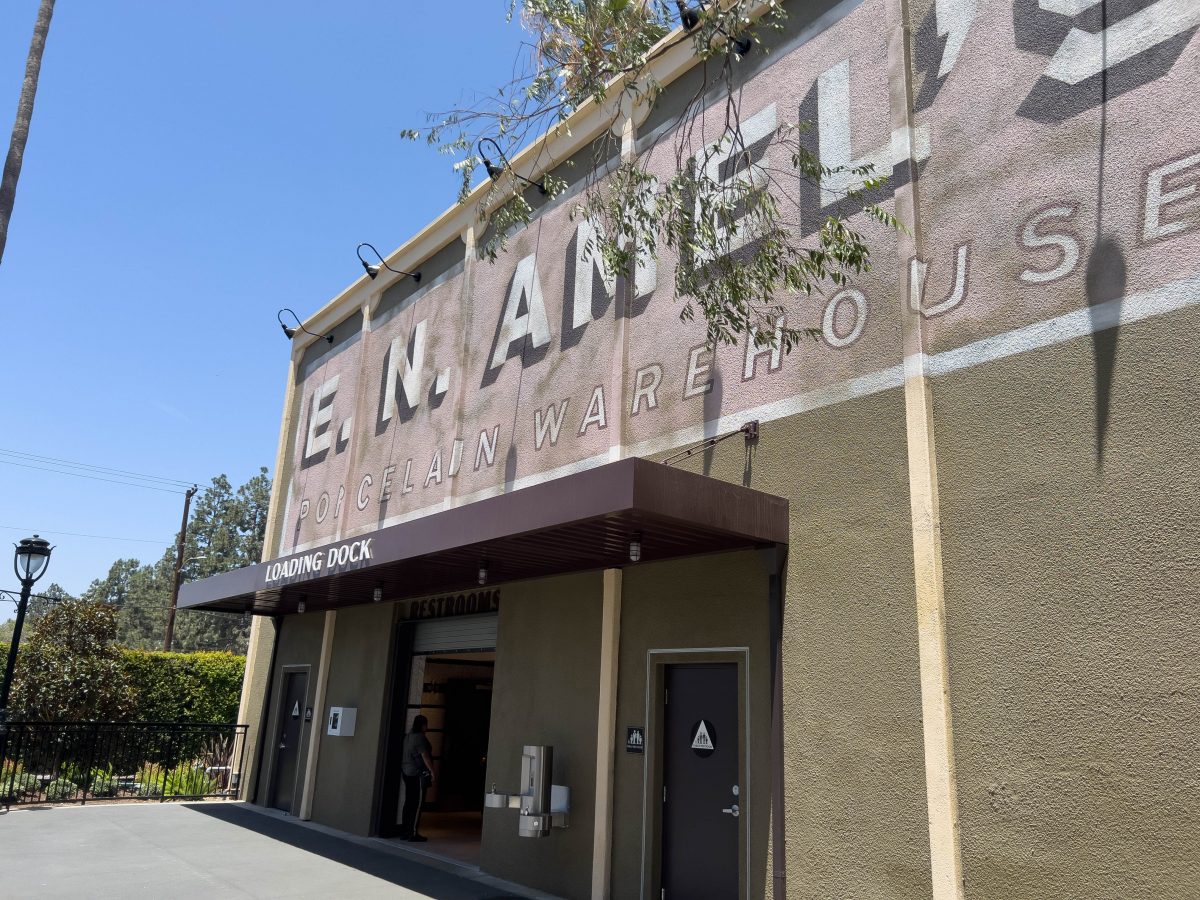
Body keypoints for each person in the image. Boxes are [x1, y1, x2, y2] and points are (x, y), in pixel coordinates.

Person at [399, 715, 435, 841]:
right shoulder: (419, 737)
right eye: (426, 724)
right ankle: (413, 833)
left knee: (408, 802)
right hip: (416, 773)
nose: (427, 727)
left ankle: (405, 831)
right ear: (423, 725)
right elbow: (425, 756)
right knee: (417, 803)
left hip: (406, 771)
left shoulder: (408, 736)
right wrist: (432, 771)